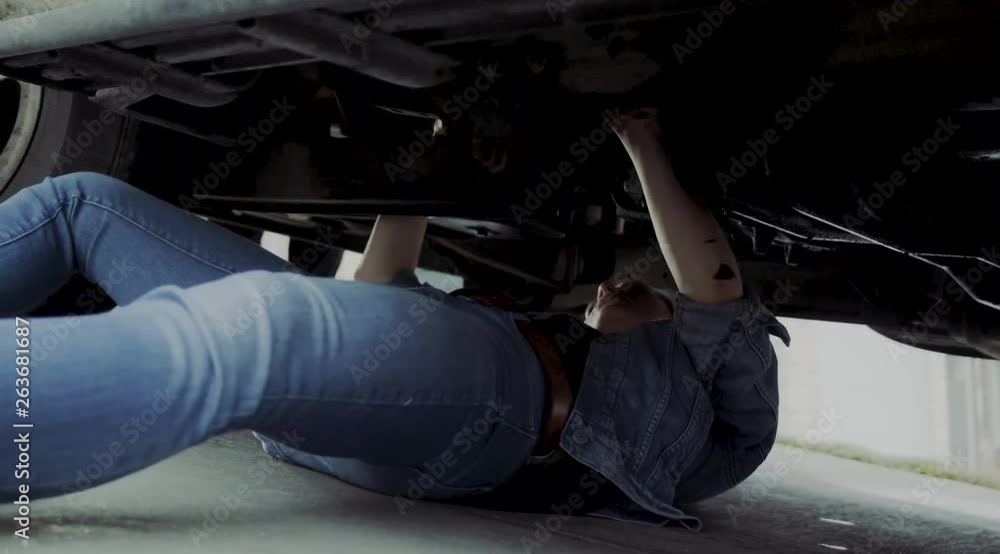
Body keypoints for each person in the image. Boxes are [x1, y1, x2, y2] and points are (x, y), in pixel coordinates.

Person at [1, 109, 788, 528]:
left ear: (673, 326)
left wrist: (641, 132)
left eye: (634, 291)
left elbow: (715, 285)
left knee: (252, 330)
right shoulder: (540, 334)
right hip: (380, 406)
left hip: (503, 415)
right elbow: (381, 287)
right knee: (84, 205)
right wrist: (441, 146)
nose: (608, 288)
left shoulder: (720, 431)